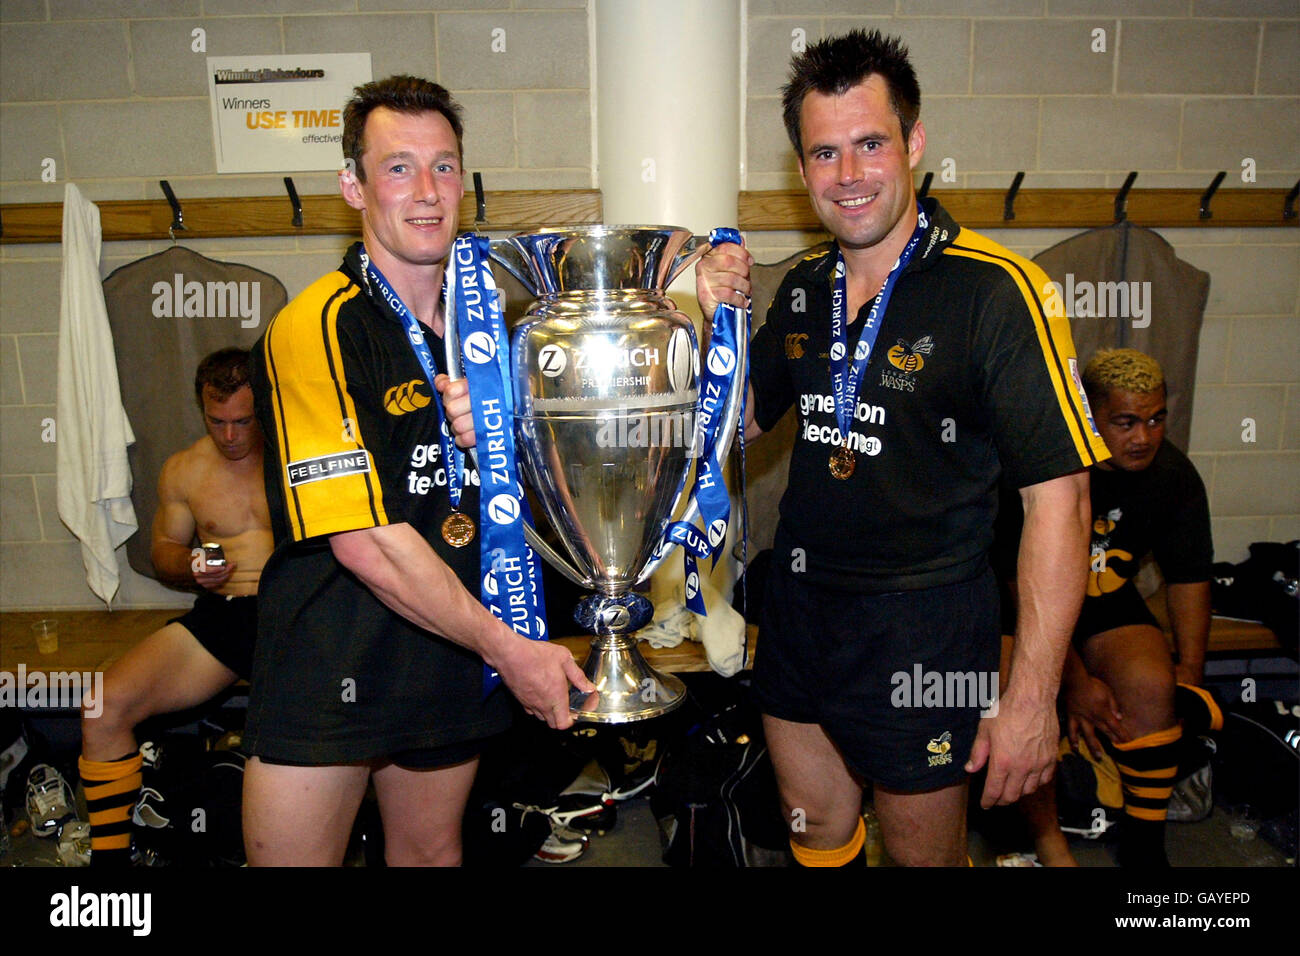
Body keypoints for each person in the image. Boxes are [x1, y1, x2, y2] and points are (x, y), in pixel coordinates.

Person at [693, 30, 1110, 866]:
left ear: (914, 144)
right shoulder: (808, 286)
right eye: (823, 153)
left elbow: (1059, 502)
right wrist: (713, 325)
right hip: (802, 615)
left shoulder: (997, 292)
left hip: (925, 630)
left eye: (870, 144)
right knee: (817, 840)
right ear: (800, 167)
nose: (847, 176)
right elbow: (735, 429)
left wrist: (1030, 697)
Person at [244, 75, 593, 867]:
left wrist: (515, 435)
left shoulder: (492, 326)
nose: (428, 191)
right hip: (333, 659)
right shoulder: (316, 326)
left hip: (445, 648)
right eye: (399, 168)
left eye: (444, 167)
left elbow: (542, 501)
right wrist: (510, 650)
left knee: (431, 858)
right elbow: (362, 542)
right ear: (353, 187)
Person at [1004, 348, 1220, 868]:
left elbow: (1189, 577)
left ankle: (1144, 848)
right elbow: (1014, 587)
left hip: (1100, 601)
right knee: (1019, 693)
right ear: (1089, 416)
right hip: (1018, 609)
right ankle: (1049, 841)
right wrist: (1074, 684)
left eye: (1155, 419)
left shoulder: (1172, 473)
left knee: (1151, 683)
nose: (1143, 436)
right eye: (1125, 422)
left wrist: (1188, 675)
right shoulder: (1042, 465)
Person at [78, 348, 270, 867]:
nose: (230, 435)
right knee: (102, 707)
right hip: (225, 615)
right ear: (201, 409)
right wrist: (191, 566)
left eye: (243, 421)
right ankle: (111, 869)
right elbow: (163, 549)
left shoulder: (295, 456)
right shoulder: (185, 469)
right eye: (217, 422)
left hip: (296, 616)